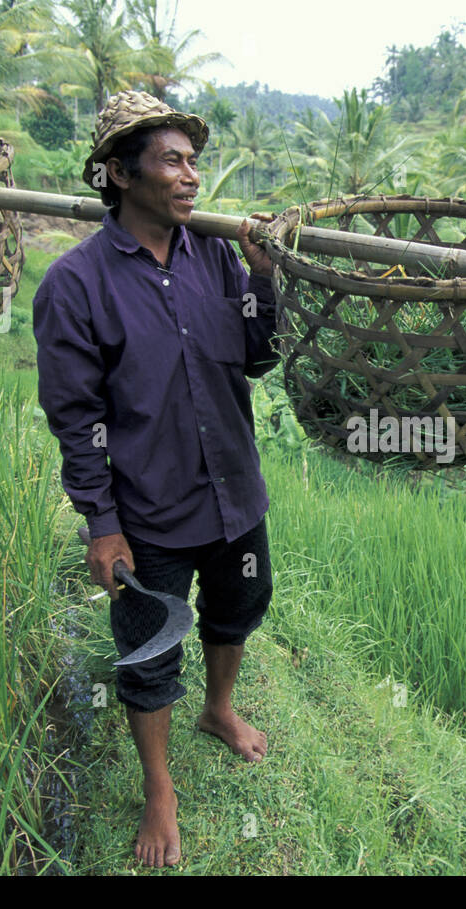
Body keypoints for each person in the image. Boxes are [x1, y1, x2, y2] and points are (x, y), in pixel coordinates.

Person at [33, 90, 279, 867]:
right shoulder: (75, 286)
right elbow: (76, 419)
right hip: (150, 510)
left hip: (234, 493)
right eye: (172, 161)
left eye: (193, 161)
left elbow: (258, 356)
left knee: (240, 605)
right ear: (119, 174)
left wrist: (265, 275)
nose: (190, 176)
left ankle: (218, 708)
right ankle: (159, 787)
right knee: (146, 652)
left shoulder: (215, 256)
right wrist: (103, 525)